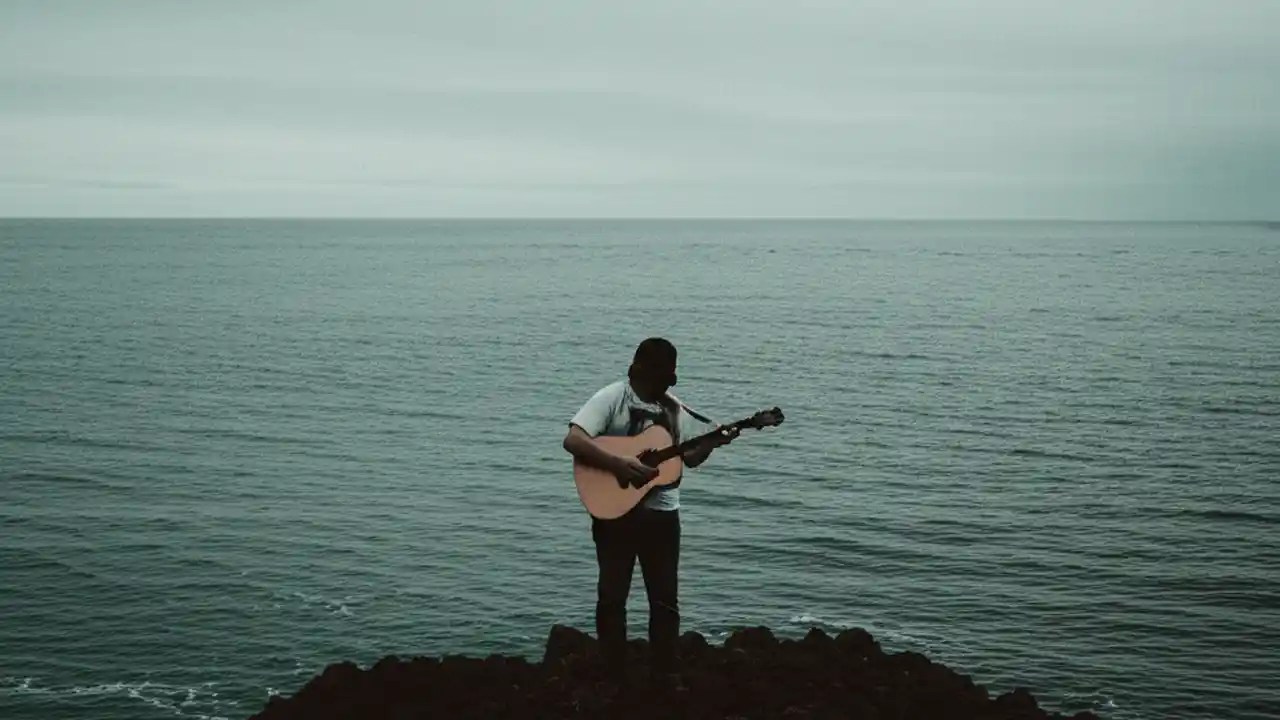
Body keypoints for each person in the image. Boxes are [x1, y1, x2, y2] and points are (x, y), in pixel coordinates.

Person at [561, 337, 739, 691]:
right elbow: (574, 440)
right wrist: (618, 464)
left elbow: (688, 458)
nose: (665, 386)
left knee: (664, 599)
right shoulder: (612, 397)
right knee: (612, 597)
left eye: (669, 379)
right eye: (660, 378)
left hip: (662, 516)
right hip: (614, 513)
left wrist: (714, 442)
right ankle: (613, 675)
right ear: (638, 372)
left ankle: (664, 675)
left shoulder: (674, 410)